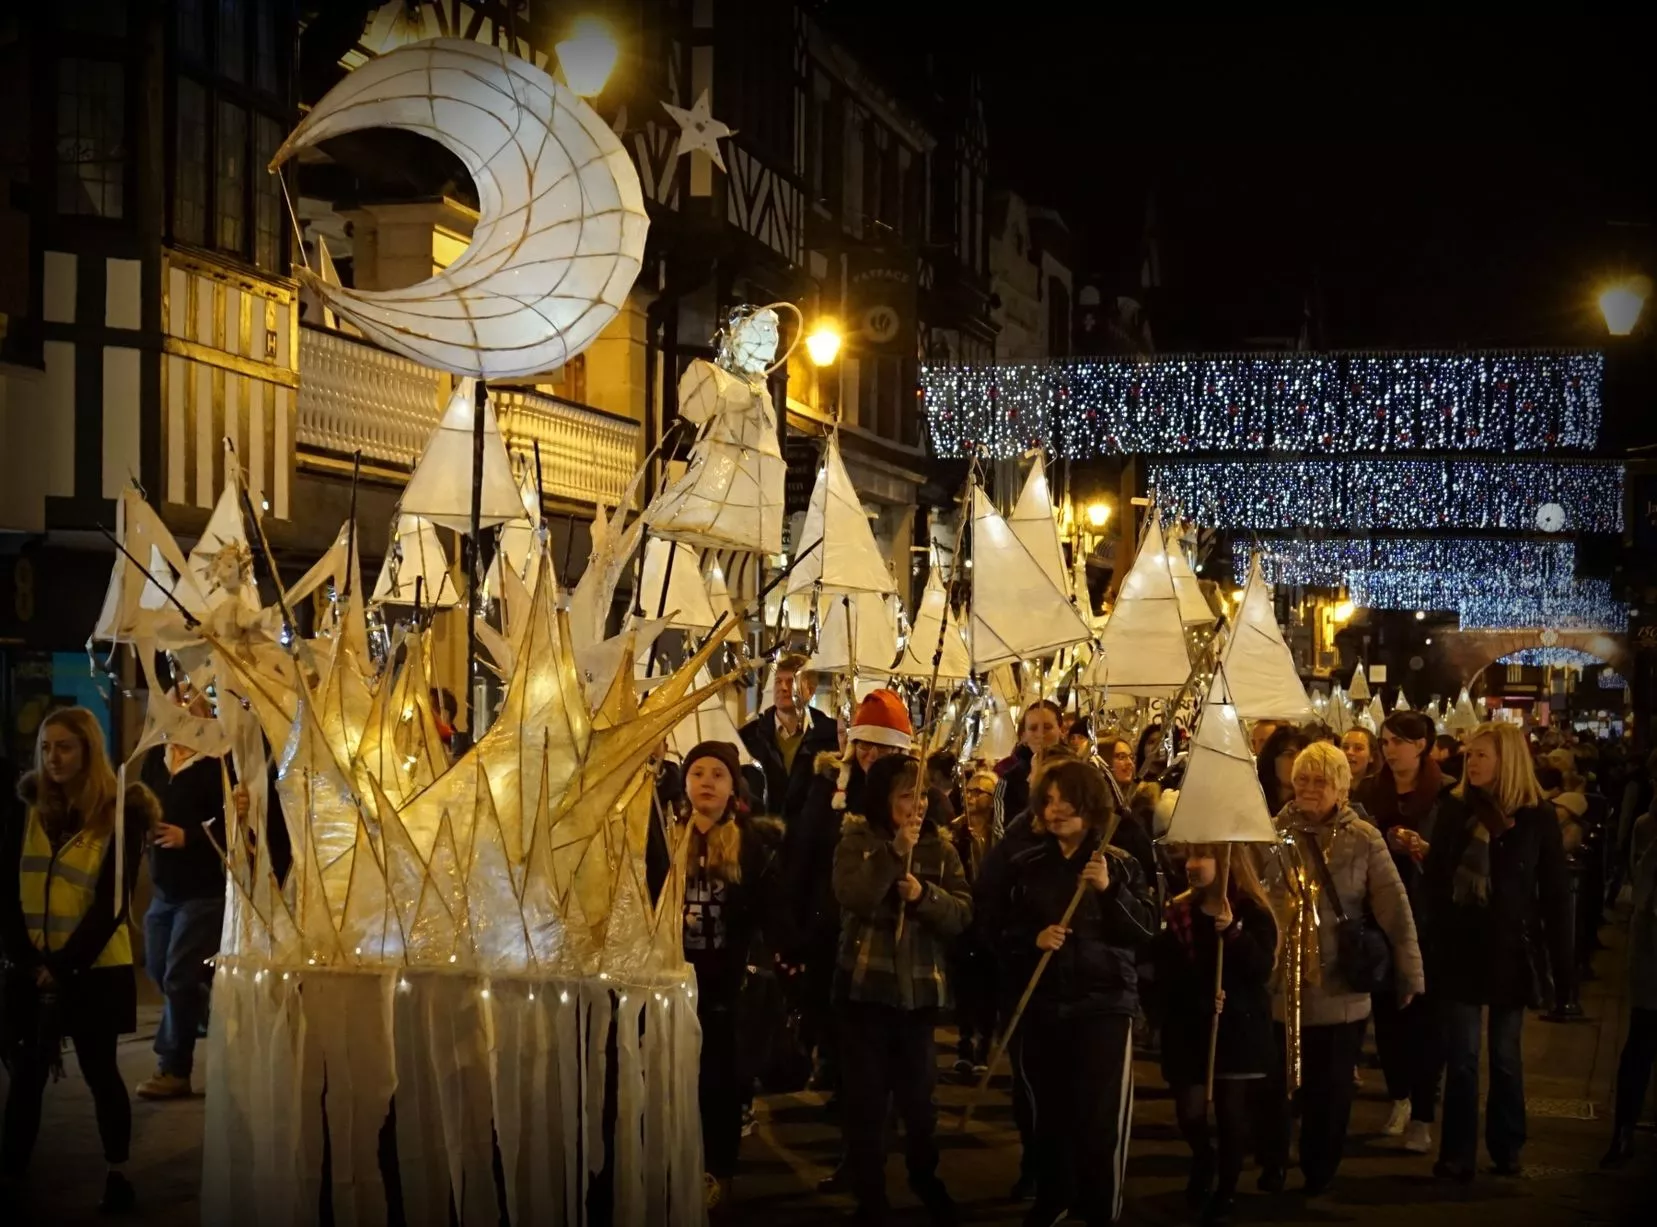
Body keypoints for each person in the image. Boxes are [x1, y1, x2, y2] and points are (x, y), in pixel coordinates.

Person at [1, 709, 156, 1213]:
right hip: (31, 966)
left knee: (100, 1070)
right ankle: (12, 1173)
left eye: (65, 747)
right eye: (46, 748)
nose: (53, 758)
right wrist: (28, 960)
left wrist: (63, 966)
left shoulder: (119, 812)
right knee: (24, 1074)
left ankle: (118, 1174)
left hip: (94, 971)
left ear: (88, 750)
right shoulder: (25, 808)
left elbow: (112, 904)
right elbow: (5, 890)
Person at [991, 760, 1158, 1226]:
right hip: (1044, 1004)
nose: (1056, 809)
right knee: (1049, 1113)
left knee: (1099, 1117)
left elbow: (1144, 931)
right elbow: (1001, 932)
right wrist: (1032, 940)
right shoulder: (1027, 865)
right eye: (1048, 800)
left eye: (1066, 800)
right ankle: (1053, 1195)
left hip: (1104, 1005)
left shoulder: (1118, 864)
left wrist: (1108, 891)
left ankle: (1100, 1208)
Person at [1258, 741, 1423, 1195]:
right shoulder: (1274, 833)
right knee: (1275, 1086)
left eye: (1321, 781)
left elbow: (1394, 908)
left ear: (1342, 788)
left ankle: (1318, 1166)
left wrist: (1409, 973)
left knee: (1329, 1091)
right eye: (1303, 779)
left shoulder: (1363, 838)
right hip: (1280, 986)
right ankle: (1272, 1160)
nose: (1309, 789)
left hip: (1339, 989)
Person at [1423, 722, 1571, 1182]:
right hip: (1462, 947)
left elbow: (1555, 893)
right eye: (1470, 756)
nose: (1473, 762)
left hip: (1510, 950)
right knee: (1463, 1056)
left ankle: (1507, 1147)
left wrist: (1563, 968)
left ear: (1508, 760)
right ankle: (1458, 1154)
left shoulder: (1536, 817)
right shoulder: (1454, 808)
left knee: (1505, 1055)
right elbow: (1437, 878)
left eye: (1482, 755)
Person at [833, 753, 970, 1226]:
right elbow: (854, 896)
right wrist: (892, 854)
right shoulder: (858, 839)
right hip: (866, 990)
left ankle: (924, 1177)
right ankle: (870, 1194)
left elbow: (961, 913)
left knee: (919, 1100)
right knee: (867, 1100)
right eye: (905, 796)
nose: (917, 806)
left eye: (923, 795)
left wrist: (924, 896)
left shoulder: (942, 849)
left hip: (918, 994)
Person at [780, 689, 913, 1111]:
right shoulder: (828, 789)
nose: (871, 754)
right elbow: (803, 851)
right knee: (832, 1007)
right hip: (829, 917)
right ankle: (837, 1077)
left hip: (883, 924)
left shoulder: (908, 798)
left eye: (881, 746)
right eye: (864, 744)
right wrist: (796, 923)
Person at [673, 741, 784, 1211]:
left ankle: (718, 1170)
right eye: (698, 772)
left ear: (732, 785)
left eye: (718, 774)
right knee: (677, 1078)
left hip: (725, 984)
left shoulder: (751, 843)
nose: (706, 782)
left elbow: (767, 912)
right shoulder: (666, 837)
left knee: (720, 1083)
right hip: (675, 982)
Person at [130, 684, 247, 1101]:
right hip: (165, 888)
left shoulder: (220, 758)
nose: (180, 704)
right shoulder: (157, 758)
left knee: (179, 976)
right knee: (160, 970)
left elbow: (238, 814)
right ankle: (207, 1011)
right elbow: (142, 803)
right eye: (175, 696)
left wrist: (193, 836)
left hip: (204, 889)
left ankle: (174, 1067)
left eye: (189, 697)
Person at [1154, 844, 1278, 1225]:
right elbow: (1166, 969)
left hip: (1236, 1029)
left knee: (1230, 1112)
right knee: (1190, 1110)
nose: (1191, 866)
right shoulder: (1180, 911)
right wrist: (1197, 996)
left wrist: (1235, 935)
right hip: (1191, 1026)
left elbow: (1260, 970)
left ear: (1225, 862)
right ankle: (1203, 1159)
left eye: (1201, 858)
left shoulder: (1251, 912)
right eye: (1189, 858)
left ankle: (1226, 1187)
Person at [1351, 710, 1446, 1152]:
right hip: (1383, 916)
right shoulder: (1371, 792)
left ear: (1421, 745)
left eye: (1398, 742)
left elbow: (1454, 858)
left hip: (1429, 919)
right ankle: (1400, 1097)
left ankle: (1423, 1114)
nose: (1389, 750)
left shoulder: (1444, 794)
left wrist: (1426, 850)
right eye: (1385, 742)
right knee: (1388, 1018)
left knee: (1424, 1020)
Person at [1602, 818, 1656, 1167]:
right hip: (1652, 946)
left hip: (1649, 946)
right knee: (1642, 1039)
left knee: (1641, 1040)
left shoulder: (1647, 825)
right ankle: (1623, 1130)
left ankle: (1623, 1132)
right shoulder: (1647, 826)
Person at [739, 654, 839, 826]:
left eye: (792, 681)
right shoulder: (749, 737)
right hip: (761, 837)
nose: (783, 688)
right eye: (778, 681)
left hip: (811, 841)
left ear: (811, 689)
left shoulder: (831, 736)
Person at [949, 770, 1000, 1074]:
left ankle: (984, 1042)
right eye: (969, 789)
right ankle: (964, 1040)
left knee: (988, 982)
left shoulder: (999, 832)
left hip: (990, 915)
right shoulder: (956, 830)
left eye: (981, 791)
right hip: (965, 913)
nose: (973, 795)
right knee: (964, 982)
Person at [994, 700, 1066, 835]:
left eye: (1047, 727)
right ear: (1024, 736)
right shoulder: (1009, 781)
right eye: (1033, 728)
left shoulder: (1080, 772)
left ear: (1061, 730)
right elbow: (1003, 832)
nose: (1040, 734)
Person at [1256, 726, 1309, 814]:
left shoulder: (1310, 808)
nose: (1297, 761)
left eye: (1303, 756)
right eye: (1289, 754)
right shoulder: (1256, 800)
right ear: (1272, 759)